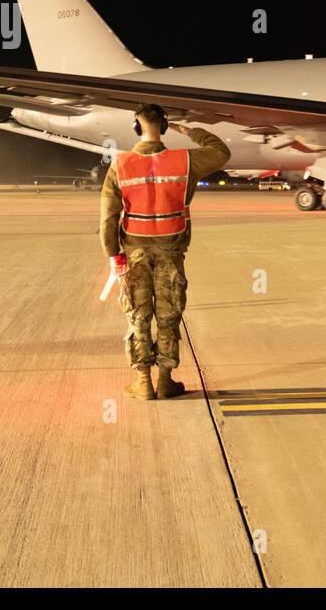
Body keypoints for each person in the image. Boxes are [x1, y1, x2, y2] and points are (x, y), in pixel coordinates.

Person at [99, 104, 231, 400]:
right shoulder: (184, 161)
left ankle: (143, 381)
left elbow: (108, 216)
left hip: (134, 251)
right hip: (171, 251)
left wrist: (113, 253)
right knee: (168, 315)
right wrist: (189, 131)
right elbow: (221, 151)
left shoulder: (120, 164)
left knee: (138, 314)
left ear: (136, 126)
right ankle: (165, 380)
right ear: (166, 126)